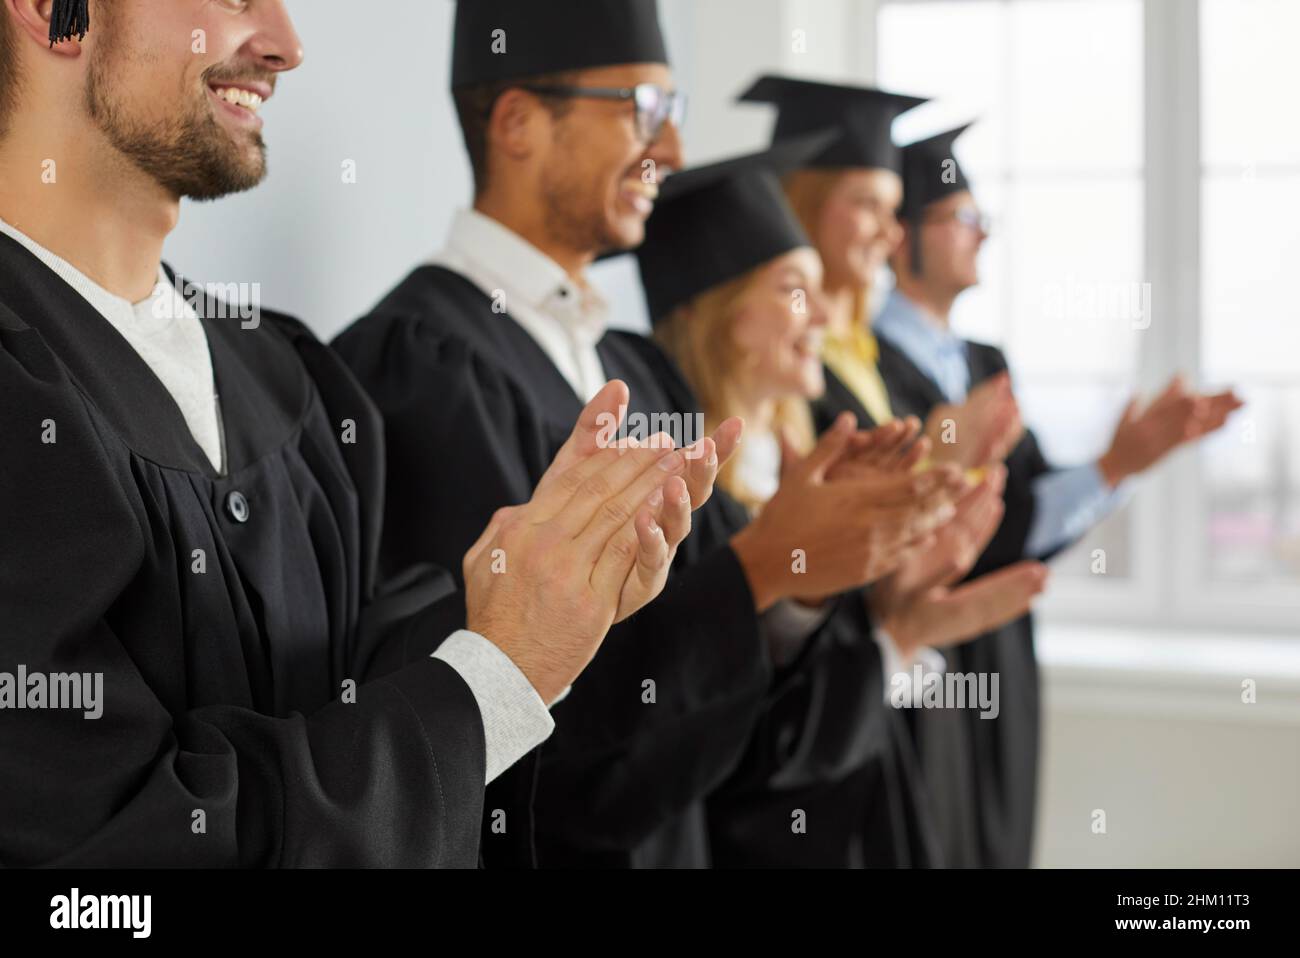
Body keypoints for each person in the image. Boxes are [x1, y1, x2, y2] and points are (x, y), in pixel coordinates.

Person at [0, 0, 707, 867]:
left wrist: (535, 603)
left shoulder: (282, 376)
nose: (287, 47)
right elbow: (108, 857)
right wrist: (489, 676)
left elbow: (355, 670)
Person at [334, 0, 962, 867]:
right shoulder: (422, 365)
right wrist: (762, 564)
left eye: (675, 116)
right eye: (644, 110)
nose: (669, 152)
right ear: (518, 123)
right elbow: (503, 742)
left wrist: (809, 569)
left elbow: (726, 701)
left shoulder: (632, 365)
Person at [638, 142, 1049, 866]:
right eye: (795, 289)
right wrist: (891, 630)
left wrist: (902, 590)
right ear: (725, 313)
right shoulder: (679, 502)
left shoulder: (799, 460)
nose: (825, 310)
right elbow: (748, 736)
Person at [871, 122, 1243, 867]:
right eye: (962, 220)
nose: (981, 236)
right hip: (918, 651)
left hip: (999, 650)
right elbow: (978, 523)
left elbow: (1027, 509)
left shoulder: (984, 361)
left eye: (984, 221)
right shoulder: (868, 367)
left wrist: (1120, 465)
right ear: (899, 235)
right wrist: (1111, 467)